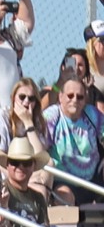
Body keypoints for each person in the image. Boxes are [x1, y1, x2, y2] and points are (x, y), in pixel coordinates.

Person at [44, 75, 103, 203]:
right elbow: (40, 148)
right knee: (64, 196)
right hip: (64, 181)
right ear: (60, 97)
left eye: (80, 97)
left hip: (94, 179)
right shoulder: (52, 116)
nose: (75, 100)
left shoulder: (91, 113)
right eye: (70, 96)